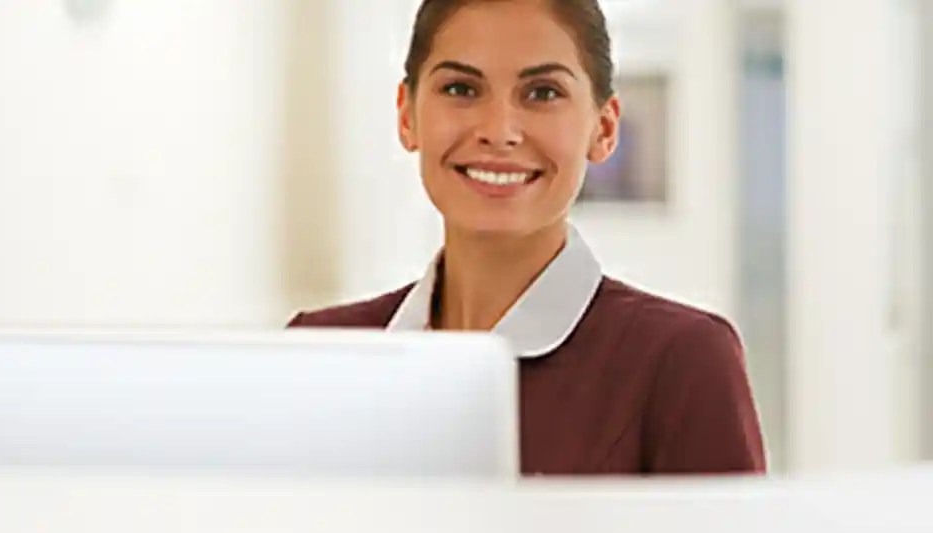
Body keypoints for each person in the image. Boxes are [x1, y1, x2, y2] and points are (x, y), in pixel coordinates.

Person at [288, 0, 766, 476]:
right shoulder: (320, 352)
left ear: (603, 128)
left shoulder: (681, 362)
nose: (499, 132)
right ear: (407, 115)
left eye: (542, 93)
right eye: (460, 88)